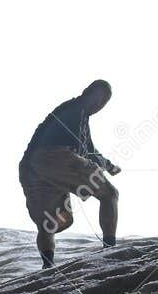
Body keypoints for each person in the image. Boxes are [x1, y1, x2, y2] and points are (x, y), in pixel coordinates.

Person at [19, 80, 121, 268]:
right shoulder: (76, 109)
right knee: (110, 194)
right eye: (98, 98)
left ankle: (47, 265)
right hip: (56, 156)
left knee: (49, 221)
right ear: (87, 93)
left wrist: (108, 164)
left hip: (32, 166)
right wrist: (104, 165)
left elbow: (89, 149)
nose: (99, 105)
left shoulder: (76, 115)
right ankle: (110, 248)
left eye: (104, 102)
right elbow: (86, 149)